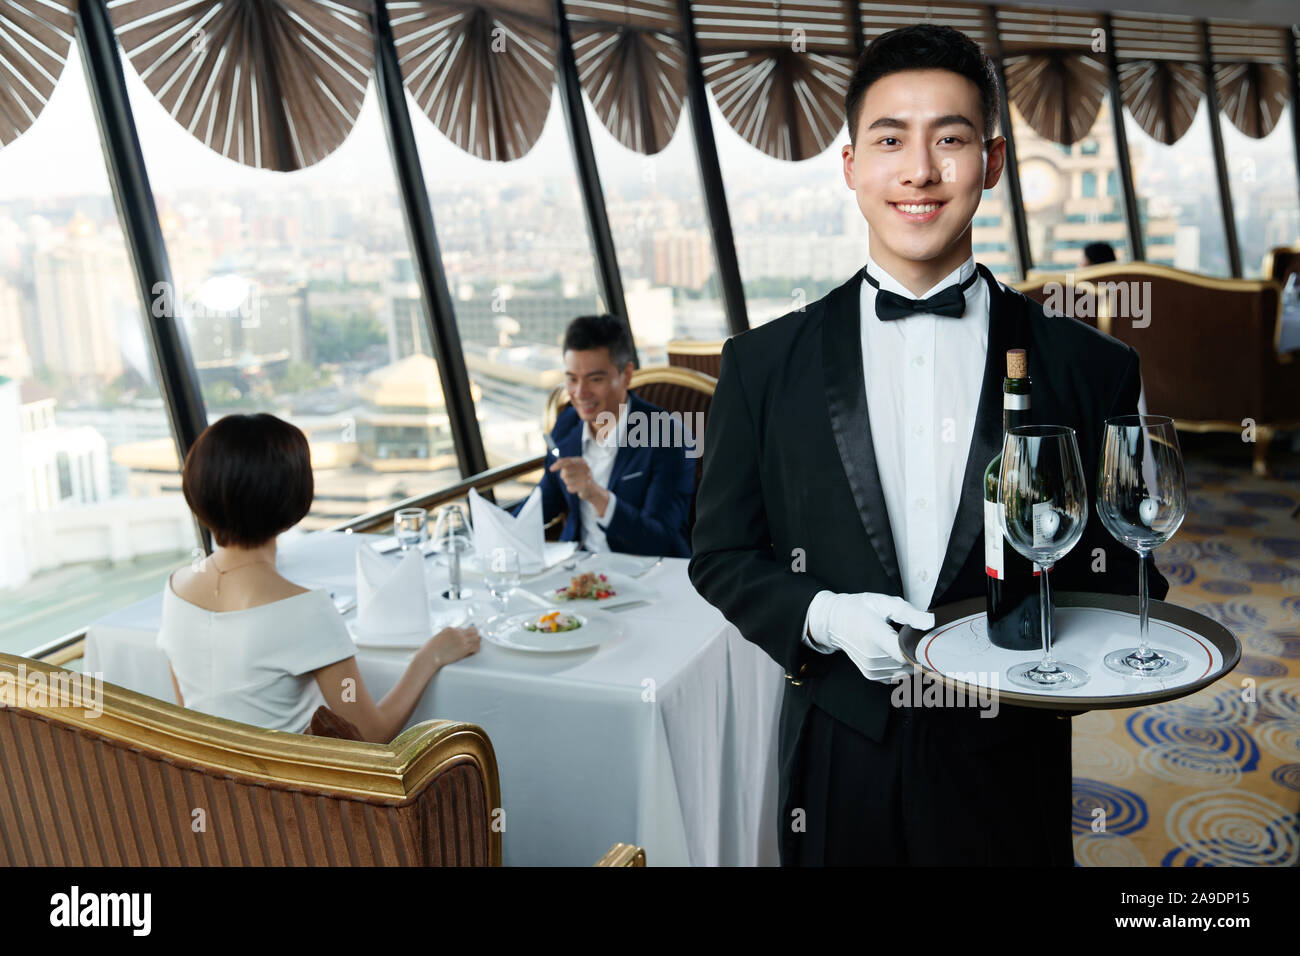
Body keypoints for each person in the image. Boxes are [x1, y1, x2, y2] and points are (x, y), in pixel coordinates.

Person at [689, 24, 1167, 865]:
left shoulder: (1091, 368)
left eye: (949, 139)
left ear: (991, 161)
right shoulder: (762, 364)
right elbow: (722, 552)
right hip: (839, 743)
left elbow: (1131, 570)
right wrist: (825, 616)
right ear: (851, 167)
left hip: (1006, 747)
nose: (919, 170)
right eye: (890, 140)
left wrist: (1052, 644)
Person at [159, 413, 479, 743]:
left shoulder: (176, 588)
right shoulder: (304, 609)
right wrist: (429, 658)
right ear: (293, 494)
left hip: (210, 788)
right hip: (288, 791)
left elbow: (189, 711)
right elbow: (370, 733)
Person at [525, 313, 694, 558]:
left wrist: (595, 494)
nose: (580, 393)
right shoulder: (566, 425)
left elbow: (660, 541)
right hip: (579, 571)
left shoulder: (668, 434)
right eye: (572, 379)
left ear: (626, 375)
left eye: (595, 379)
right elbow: (540, 506)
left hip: (649, 575)